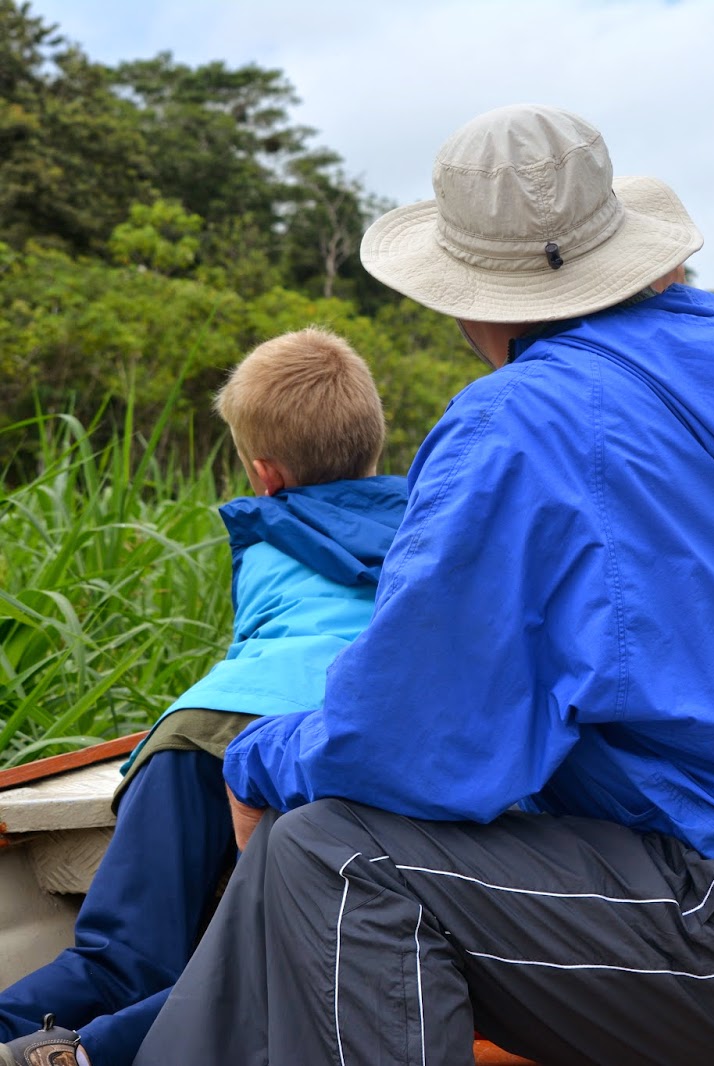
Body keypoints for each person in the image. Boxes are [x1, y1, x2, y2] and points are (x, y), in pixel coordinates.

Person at [134, 104, 714, 1066]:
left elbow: (416, 738)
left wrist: (256, 760)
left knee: (332, 853)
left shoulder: (520, 424)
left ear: (474, 294)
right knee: (312, 842)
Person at [0, 330, 407, 1066]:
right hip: (334, 734)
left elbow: (256, 646)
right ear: (376, 443)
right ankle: (84, 1053)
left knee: (120, 958)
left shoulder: (267, 526)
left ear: (263, 473)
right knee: (271, 951)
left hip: (203, 729)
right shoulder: (429, 523)